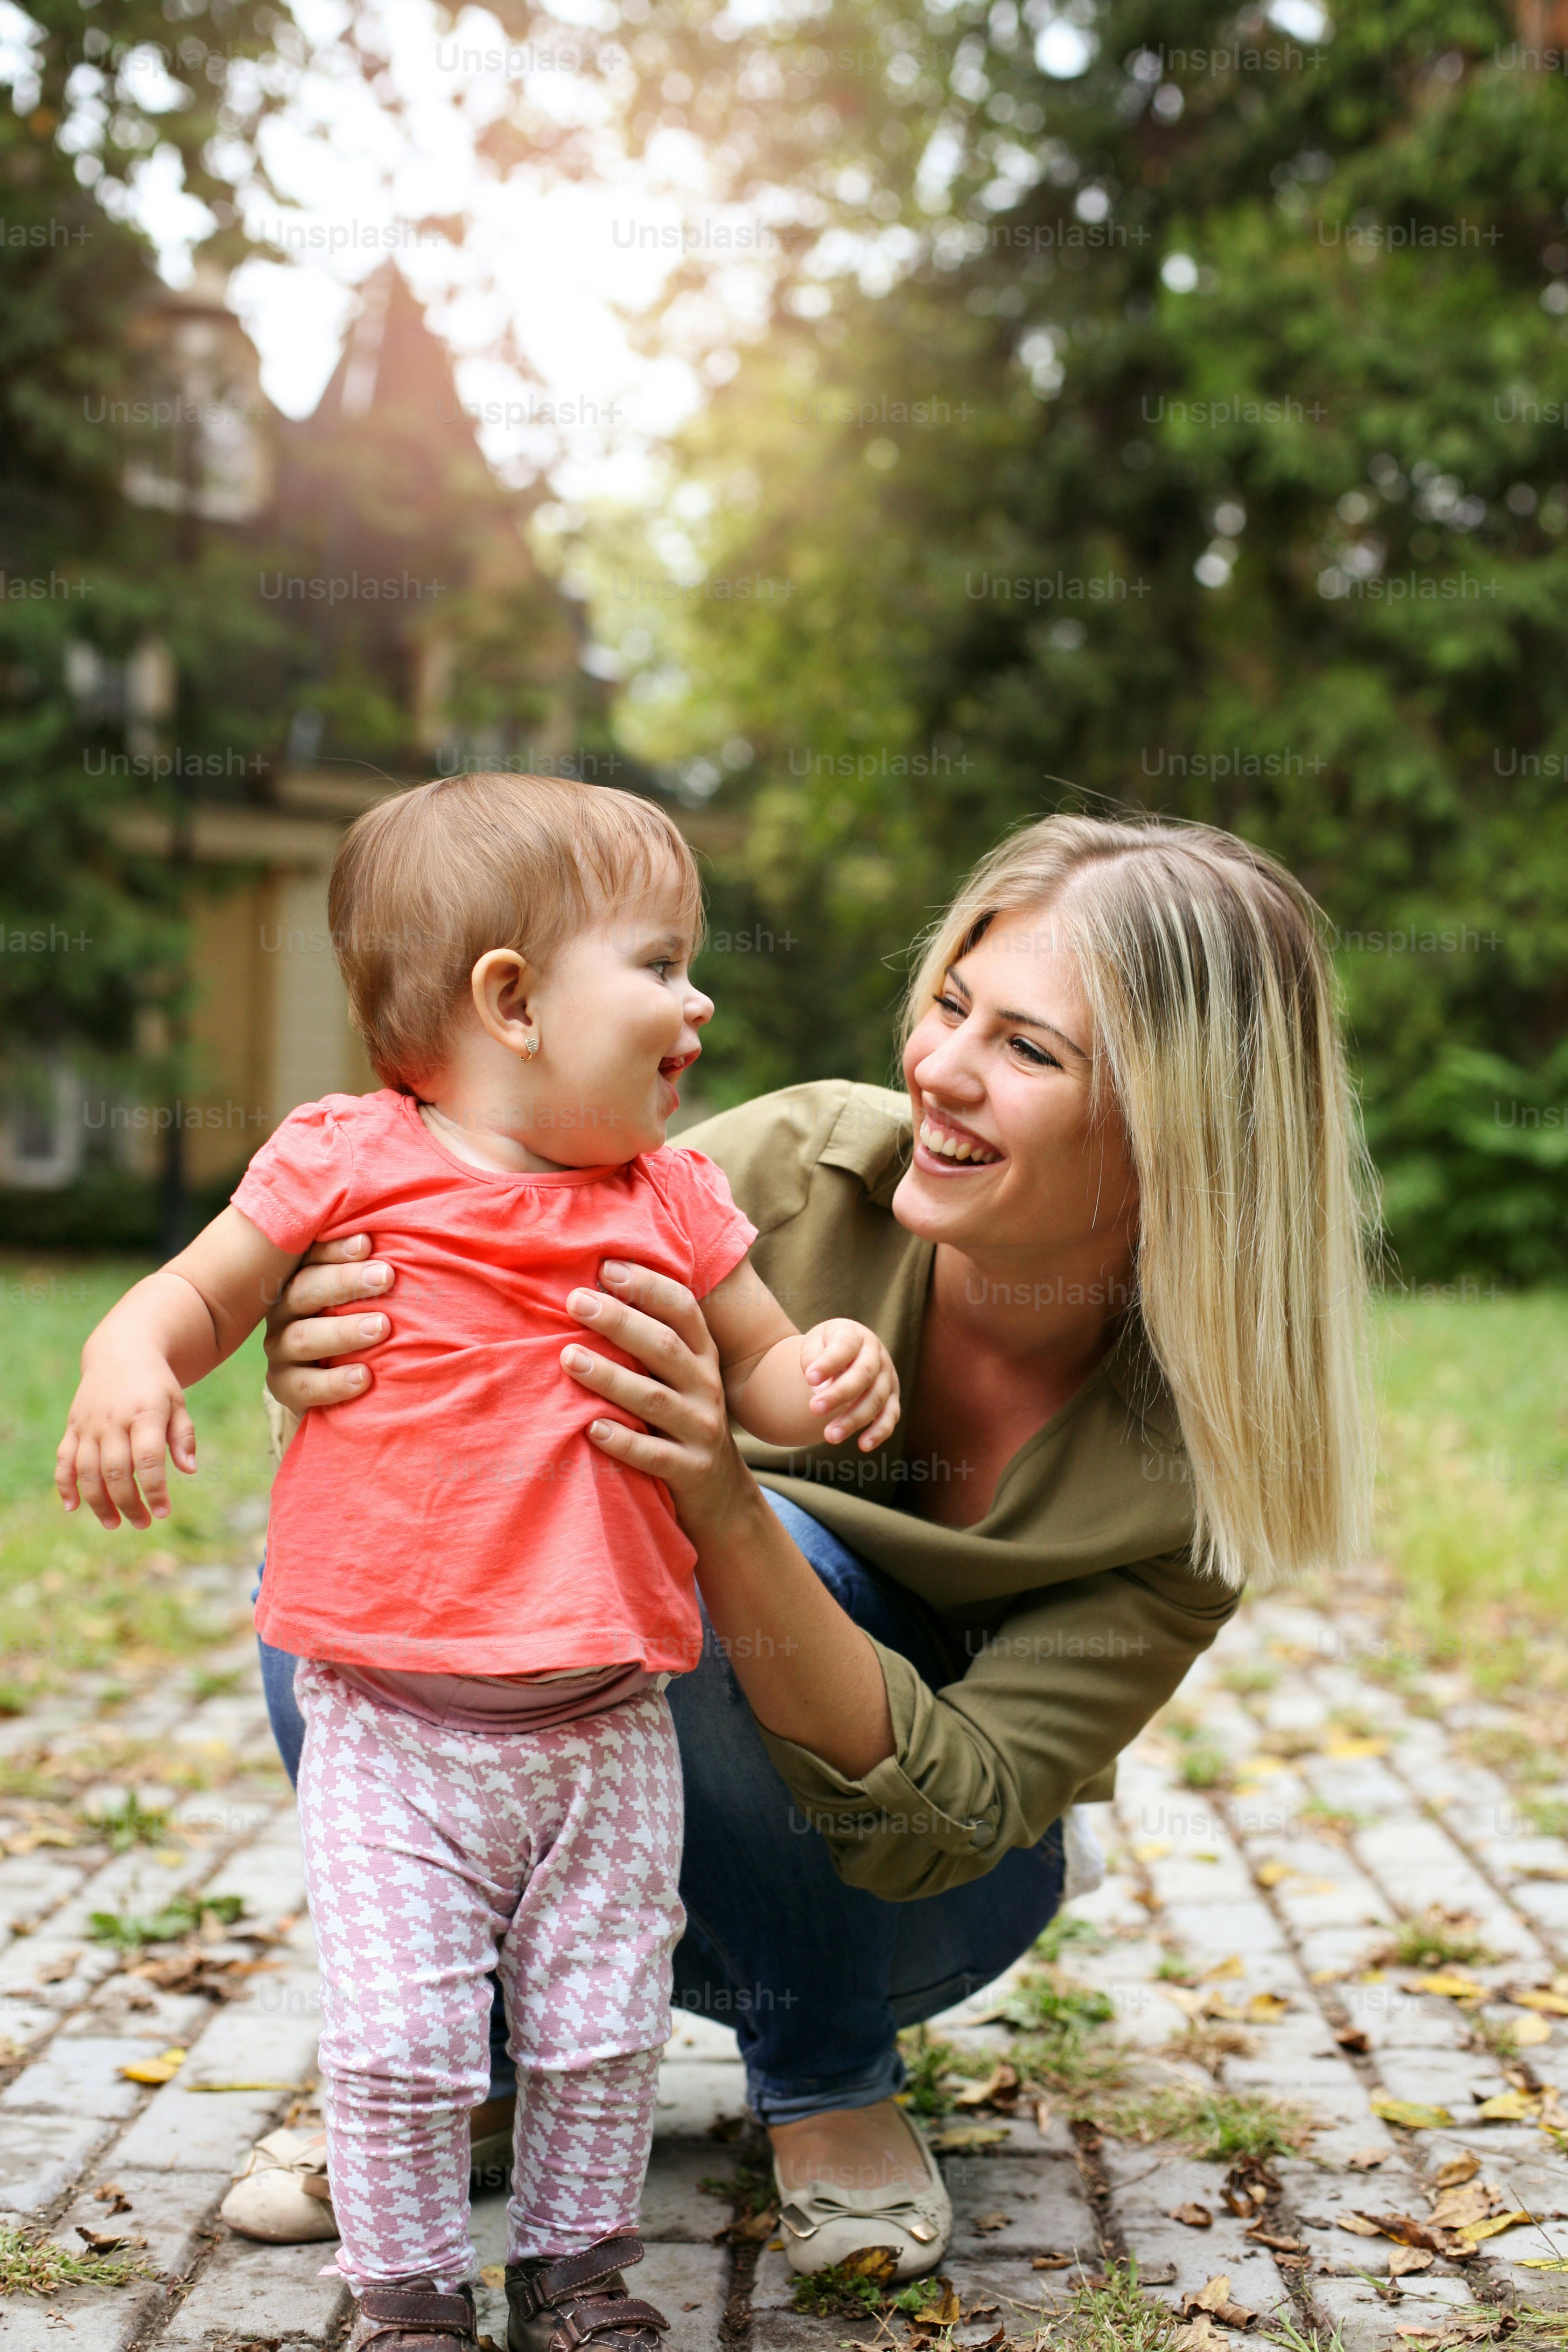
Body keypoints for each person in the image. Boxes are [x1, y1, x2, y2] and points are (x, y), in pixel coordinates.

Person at [255, 810, 1374, 2280]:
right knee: (353, 1584)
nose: (942, 1070)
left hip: (923, 1901)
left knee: (735, 1534)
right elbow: (456, 1253)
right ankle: (486, 2046)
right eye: (953, 1006)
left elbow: (956, 1814)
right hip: (621, 1848)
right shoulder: (784, 1168)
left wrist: (720, 1500)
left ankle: (831, 2070)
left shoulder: (1191, 1473)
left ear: (1179, 1131)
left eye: (1031, 1052)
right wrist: (336, 1351)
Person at [54, 774, 902, 2352]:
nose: (696, 996)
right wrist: (129, 1364)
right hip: (391, 1732)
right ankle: (408, 2297)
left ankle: (577, 2273)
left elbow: (769, 1379)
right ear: (509, 1001)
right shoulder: (341, 1161)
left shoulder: (673, 1199)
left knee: (598, 2034)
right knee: (401, 2041)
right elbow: (192, 1296)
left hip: (605, 1729)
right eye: (658, 963)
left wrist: (835, 1372)